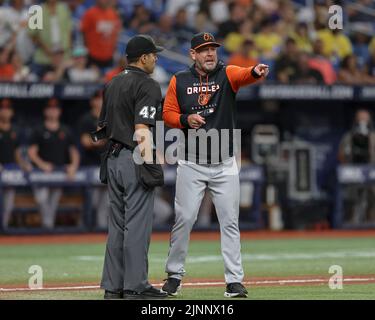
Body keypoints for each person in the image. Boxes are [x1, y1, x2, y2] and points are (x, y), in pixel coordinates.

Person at [162, 32, 269, 298]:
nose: (210, 53)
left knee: (230, 222)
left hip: (224, 164)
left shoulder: (227, 74)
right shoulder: (179, 79)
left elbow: (245, 74)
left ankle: (234, 281)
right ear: (193, 54)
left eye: (213, 49)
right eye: (203, 49)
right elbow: (168, 114)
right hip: (191, 162)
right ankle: (174, 275)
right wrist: (186, 120)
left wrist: (255, 71)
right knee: (184, 219)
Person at [97, 34, 167, 300]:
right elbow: (141, 129)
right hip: (133, 157)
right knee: (137, 226)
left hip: (112, 159)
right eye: (153, 54)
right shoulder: (147, 85)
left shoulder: (112, 83)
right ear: (144, 57)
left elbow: (101, 129)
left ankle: (113, 288)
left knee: (117, 226)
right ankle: (136, 287)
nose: (156, 58)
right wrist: (149, 162)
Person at [27, 98, 80, 229]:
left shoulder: (65, 130)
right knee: (42, 200)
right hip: (42, 173)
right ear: (45, 111)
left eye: (55, 108)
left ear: (59, 111)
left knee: (53, 203)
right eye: (50, 108)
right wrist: (41, 164)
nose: (53, 111)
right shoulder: (38, 130)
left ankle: (47, 228)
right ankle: (47, 226)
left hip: (59, 171)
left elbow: (74, 152)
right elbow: (31, 152)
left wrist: (73, 166)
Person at [78, 89, 109, 229]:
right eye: (97, 99)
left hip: (107, 164)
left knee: (106, 203)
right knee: (93, 201)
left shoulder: (110, 118)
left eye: (102, 99)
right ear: (92, 101)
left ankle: (101, 231)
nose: (100, 102)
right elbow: (86, 142)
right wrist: (101, 138)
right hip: (91, 166)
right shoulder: (86, 119)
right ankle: (83, 228)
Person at [338, 109, 375, 224]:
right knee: (351, 197)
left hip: (372, 172)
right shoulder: (349, 136)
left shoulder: (373, 137)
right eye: (360, 119)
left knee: (372, 195)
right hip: (353, 172)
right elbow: (341, 155)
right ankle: (351, 224)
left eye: (365, 119)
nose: (362, 122)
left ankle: (372, 222)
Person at [0, 99, 31, 229]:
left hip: (10, 171)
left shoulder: (15, 130)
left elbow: (17, 152)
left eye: (8, 109)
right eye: (2, 108)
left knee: (8, 204)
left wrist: (23, 164)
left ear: (12, 112)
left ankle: (4, 229)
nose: (5, 111)